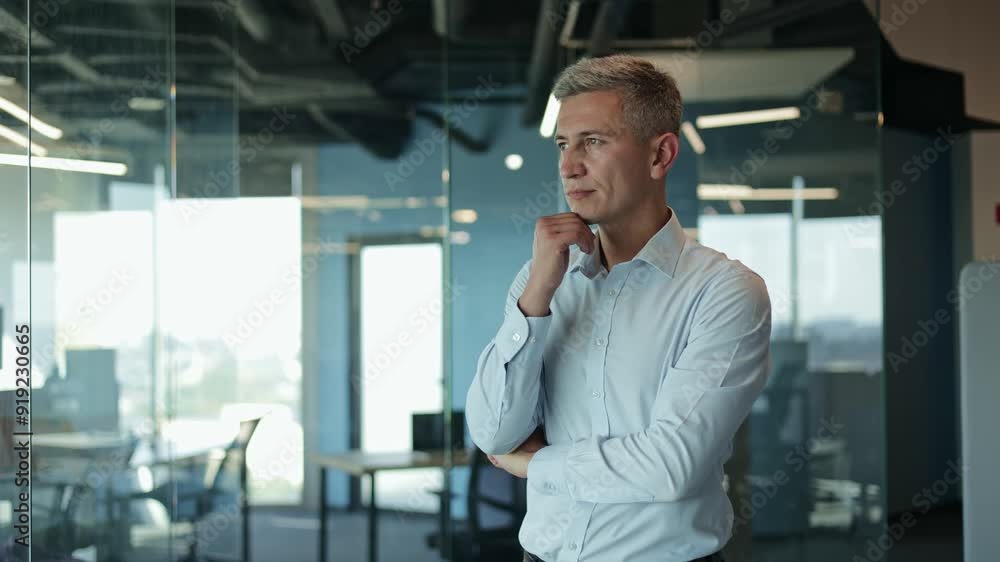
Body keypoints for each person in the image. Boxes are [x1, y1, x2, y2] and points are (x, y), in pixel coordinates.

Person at [464, 54, 772, 562]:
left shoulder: (723, 292)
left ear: (660, 155)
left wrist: (533, 465)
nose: (568, 165)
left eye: (593, 141)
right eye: (563, 144)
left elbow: (671, 466)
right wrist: (536, 296)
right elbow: (493, 432)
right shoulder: (541, 279)